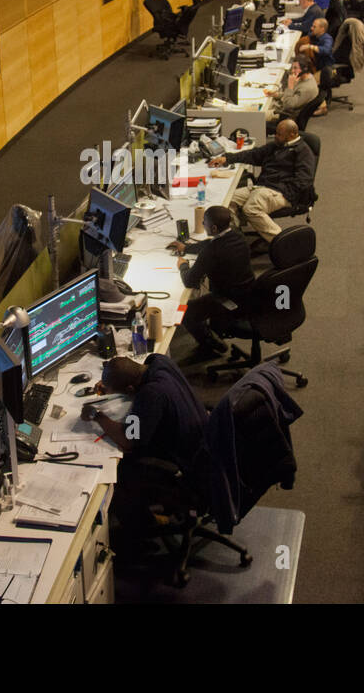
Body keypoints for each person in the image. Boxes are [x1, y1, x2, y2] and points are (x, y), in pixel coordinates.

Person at [81, 355, 207, 549]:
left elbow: (128, 440)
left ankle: (140, 536)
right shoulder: (159, 363)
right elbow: (130, 371)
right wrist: (111, 383)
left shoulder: (151, 395)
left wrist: (96, 415)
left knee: (120, 472)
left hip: (186, 468)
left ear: (131, 389)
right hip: (200, 445)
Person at [208, 119, 315, 246]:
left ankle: (285, 245)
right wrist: (227, 158)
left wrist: (285, 193)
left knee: (251, 208)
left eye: (279, 134)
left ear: (292, 134)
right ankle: (234, 242)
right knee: (226, 202)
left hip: (281, 192)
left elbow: (304, 180)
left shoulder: (303, 151)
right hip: (262, 187)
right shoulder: (276, 146)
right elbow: (253, 154)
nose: (276, 136)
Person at [168, 206, 254, 362]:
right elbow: (212, 242)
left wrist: (182, 265)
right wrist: (187, 248)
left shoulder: (212, 252)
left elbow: (189, 281)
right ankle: (213, 334)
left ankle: (211, 345)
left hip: (228, 301)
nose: (202, 223)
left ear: (213, 228)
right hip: (249, 293)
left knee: (186, 312)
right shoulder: (238, 236)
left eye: (204, 222)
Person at [264, 54, 319, 125]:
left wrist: (290, 86)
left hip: (286, 116)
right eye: (292, 67)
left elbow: (288, 105)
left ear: (305, 69)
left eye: (295, 68)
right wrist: (275, 94)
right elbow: (292, 95)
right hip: (283, 109)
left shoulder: (307, 88)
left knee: (256, 115)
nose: (292, 71)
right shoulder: (305, 77)